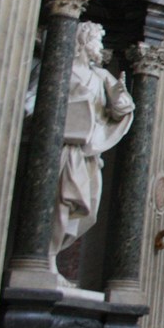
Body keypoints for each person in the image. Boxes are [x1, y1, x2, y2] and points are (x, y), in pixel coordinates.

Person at [40, 22, 134, 279]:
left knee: (88, 209)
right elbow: (30, 102)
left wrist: (118, 96)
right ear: (82, 42)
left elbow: (122, 109)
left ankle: (53, 258)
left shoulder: (101, 77)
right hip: (62, 150)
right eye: (96, 41)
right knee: (60, 203)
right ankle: (46, 260)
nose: (100, 47)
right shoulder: (60, 69)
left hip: (88, 153)